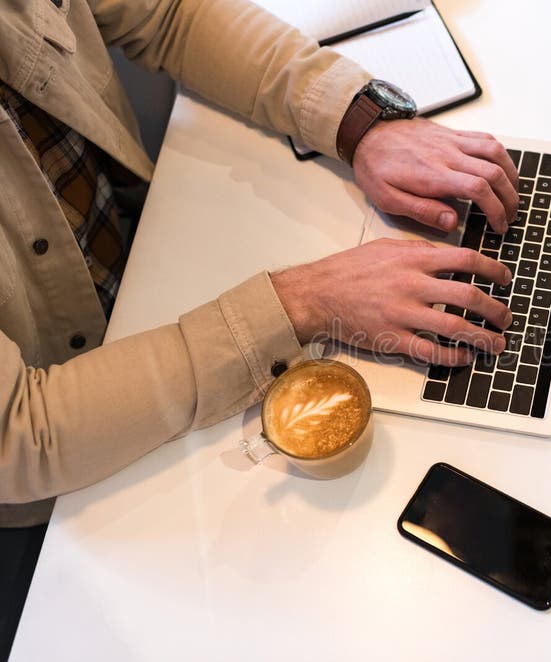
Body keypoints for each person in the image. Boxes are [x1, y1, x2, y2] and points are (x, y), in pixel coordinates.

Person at [0, 0, 518, 647]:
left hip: (153, 275)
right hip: (64, 500)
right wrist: (306, 299)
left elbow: (168, 16)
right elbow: (22, 436)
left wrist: (362, 124)